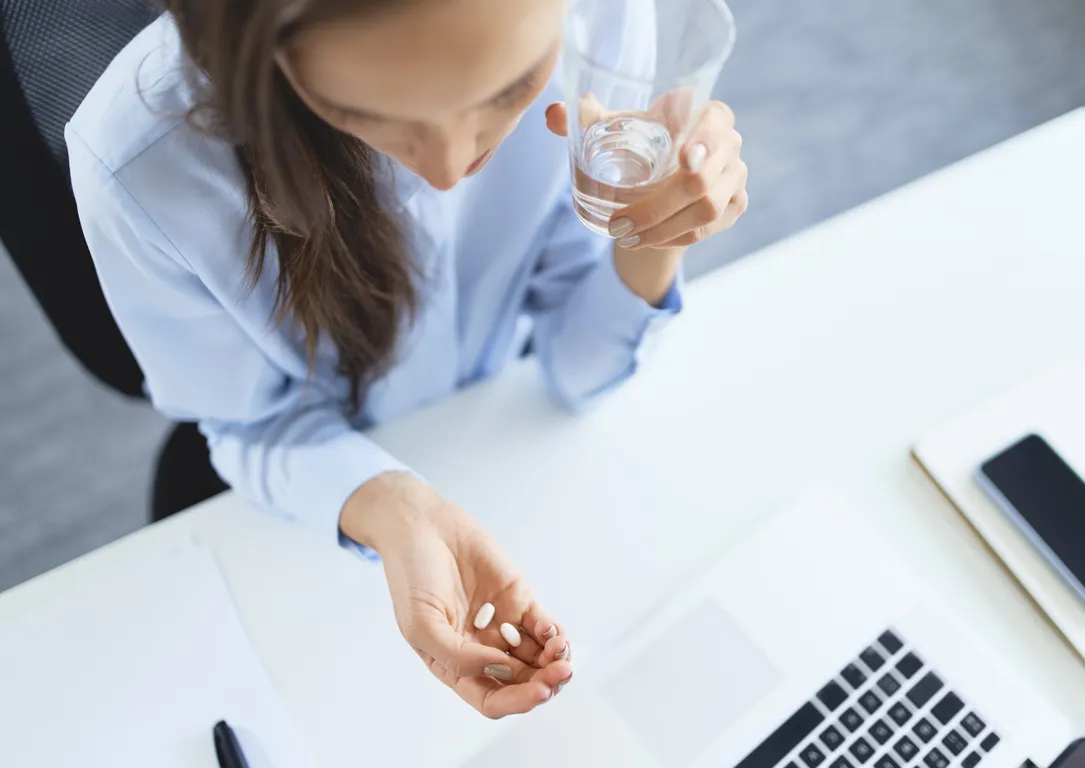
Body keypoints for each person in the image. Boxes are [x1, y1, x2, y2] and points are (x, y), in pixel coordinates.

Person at [66, 0, 748, 719]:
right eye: (361, 111)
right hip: (299, 540)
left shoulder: (603, 24)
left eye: (510, 88)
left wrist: (660, 236)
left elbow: (576, 371)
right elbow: (251, 426)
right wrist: (392, 508)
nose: (451, 169)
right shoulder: (144, 165)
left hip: (505, 450)